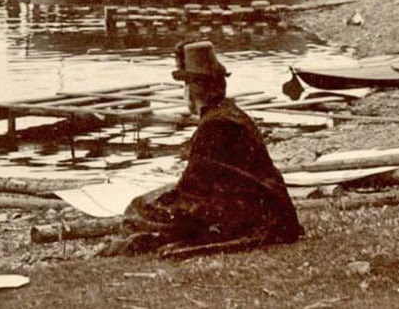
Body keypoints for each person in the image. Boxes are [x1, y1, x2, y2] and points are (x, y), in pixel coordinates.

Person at [101, 41, 303, 258]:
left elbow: (195, 192)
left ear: (193, 89)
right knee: (157, 200)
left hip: (242, 212)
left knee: (140, 208)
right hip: (266, 206)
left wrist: (169, 204)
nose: (184, 92)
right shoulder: (231, 113)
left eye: (185, 85)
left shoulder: (214, 124)